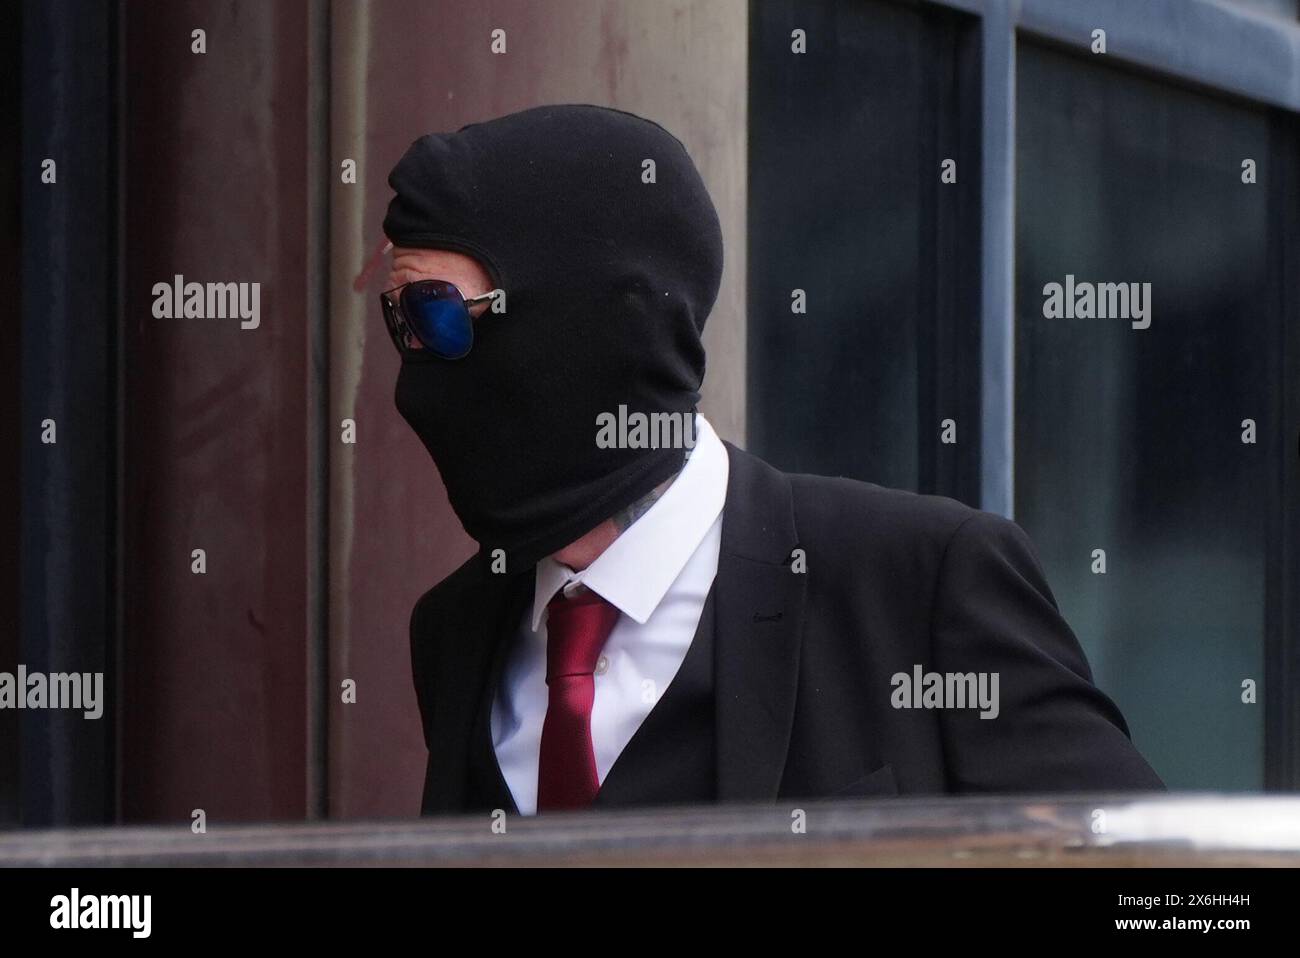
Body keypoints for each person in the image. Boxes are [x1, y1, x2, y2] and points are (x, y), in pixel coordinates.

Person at [378, 104, 1164, 816]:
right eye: (396, 319)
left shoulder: (920, 581)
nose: (412, 367)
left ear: (587, 325)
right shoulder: (456, 631)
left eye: (435, 313)